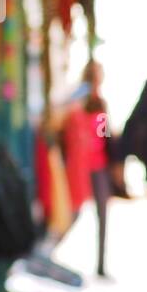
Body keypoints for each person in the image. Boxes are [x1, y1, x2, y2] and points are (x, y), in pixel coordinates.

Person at [60, 61, 112, 277]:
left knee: (102, 214)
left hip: (98, 163)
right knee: (74, 210)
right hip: (80, 164)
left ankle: (100, 264)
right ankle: (52, 247)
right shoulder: (77, 99)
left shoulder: (100, 103)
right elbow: (65, 124)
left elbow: (104, 134)